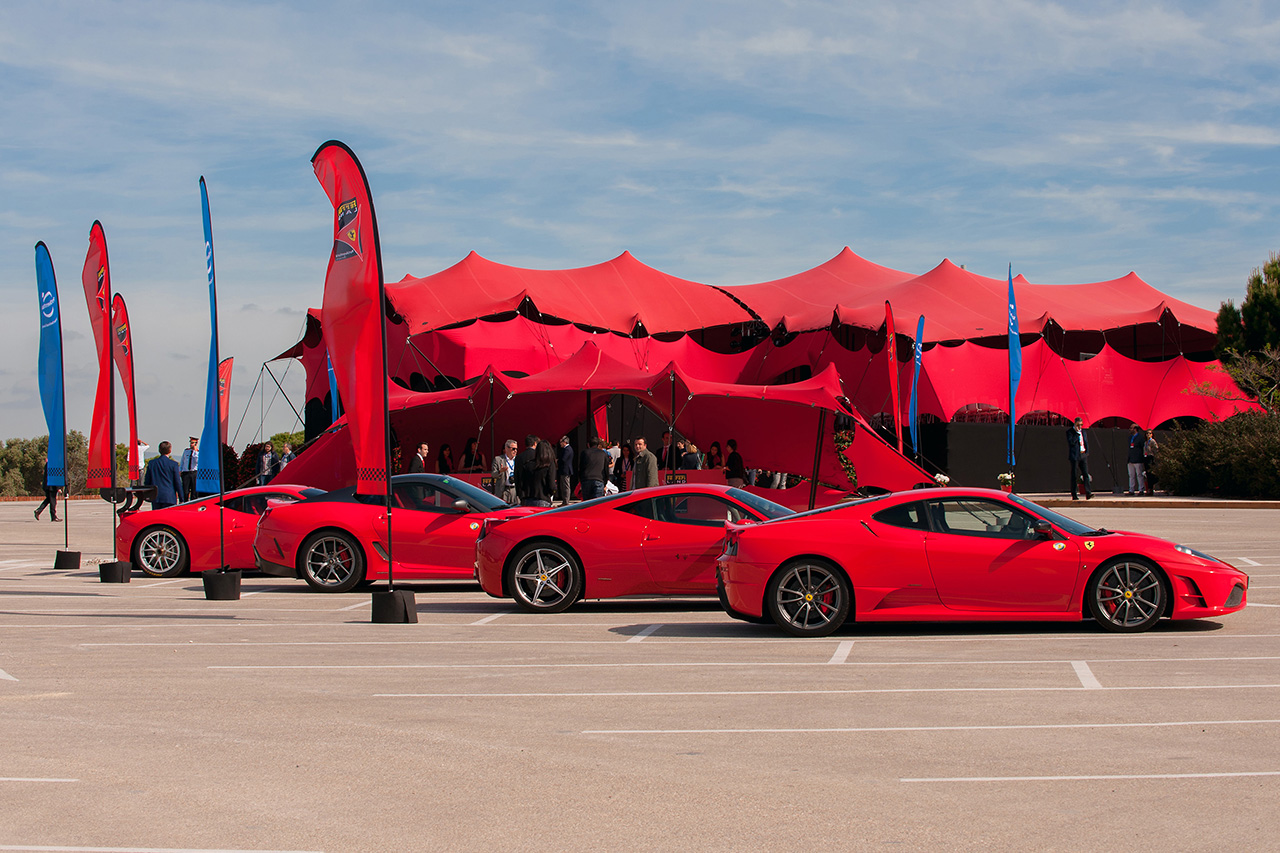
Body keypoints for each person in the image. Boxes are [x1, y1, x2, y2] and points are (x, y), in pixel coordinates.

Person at [143, 441, 183, 510]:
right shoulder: (173, 464)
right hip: (169, 497)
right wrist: (181, 498)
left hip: (156, 496)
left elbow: (147, 480)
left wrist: (148, 494)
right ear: (170, 451)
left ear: (159, 450)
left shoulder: (152, 463)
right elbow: (177, 482)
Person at [520, 439, 556, 507]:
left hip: (527, 499)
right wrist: (553, 492)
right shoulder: (549, 465)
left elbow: (522, 483)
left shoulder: (528, 464)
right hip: (543, 498)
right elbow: (551, 485)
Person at [1066, 417, 1093, 500]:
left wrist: (1086, 452)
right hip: (1075, 455)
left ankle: (1088, 492)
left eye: (1081, 425)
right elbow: (1071, 443)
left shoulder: (1083, 432)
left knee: (1085, 474)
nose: (1080, 427)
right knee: (1074, 475)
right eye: (1078, 425)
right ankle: (1074, 494)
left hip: (1082, 454)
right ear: (1075, 424)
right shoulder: (1070, 432)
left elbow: (1085, 442)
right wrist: (1076, 434)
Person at [579, 436, 611, 500]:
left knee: (587, 502)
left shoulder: (584, 453)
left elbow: (581, 468)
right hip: (599, 479)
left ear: (588, 444)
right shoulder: (603, 454)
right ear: (598, 445)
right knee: (597, 502)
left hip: (586, 479)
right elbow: (606, 469)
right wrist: (605, 482)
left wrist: (581, 480)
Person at [490, 439, 518, 504]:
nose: (515, 451)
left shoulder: (518, 459)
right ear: (506, 448)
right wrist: (500, 471)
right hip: (504, 490)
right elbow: (493, 475)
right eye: (513, 449)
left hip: (515, 490)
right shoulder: (498, 459)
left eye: (516, 449)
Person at [514, 434, 540, 504]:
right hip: (537, 492)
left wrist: (518, 492)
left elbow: (516, 475)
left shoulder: (519, 457)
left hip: (523, 492)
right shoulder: (538, 455)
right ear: (535, 443)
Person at [33, 454, 59, 522]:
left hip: (47, 485)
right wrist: (58, 487)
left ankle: (38, 511)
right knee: (53, 502)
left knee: (48, 500)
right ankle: (53, 517)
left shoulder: (48, 464)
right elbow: (54, 476)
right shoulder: (53, 465)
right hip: (51, 486)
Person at [1126, 424, 1146, 495]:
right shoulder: (1130, 437)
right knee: (1131, 475)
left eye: (1131, 428)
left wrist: (1142, 457)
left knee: (1139, 475)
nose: (1130, 429)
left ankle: (1141, 489)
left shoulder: (1140, 438)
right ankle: (1131, 490)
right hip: (1131, 459)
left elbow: (1143, 448)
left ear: (1135, 429)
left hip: (1138, 459)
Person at [179, 436, 199, 502]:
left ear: (196, 444)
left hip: (194, 472)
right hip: (186, 472)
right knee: (185, 490)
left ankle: (193, 503)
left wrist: (195, 451)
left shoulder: (198, 452)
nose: (191, 444)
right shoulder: (186, 451)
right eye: (190, 443)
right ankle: (185, 502)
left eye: (192, 443)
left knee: (194, 490)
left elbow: (197, 461)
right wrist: (180, 470)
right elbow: (182, 461)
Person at [557, 435, 575, 504]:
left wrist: (557, 461)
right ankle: (564, 500)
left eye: (561, 442)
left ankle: (566, 501)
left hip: (566, 470)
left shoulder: (567, 449)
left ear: (564, 442)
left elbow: (564, 459)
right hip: (564, 470)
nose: (560, 444)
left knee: (566, 486)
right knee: (563, 486)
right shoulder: (566, 449)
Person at [1143, 429, 1159, 496]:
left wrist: (1152, 452)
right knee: (1147, 473)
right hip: (1146, 457)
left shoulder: (1152, 441)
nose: (1148, 435)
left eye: (1149, 433)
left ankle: (1151, 488)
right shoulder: (1145, 442)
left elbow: (1156, 449)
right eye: (1147, 433)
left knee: (1151, 473)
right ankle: (1148, 488)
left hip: (1150, 457)